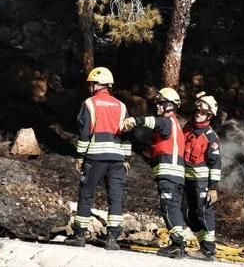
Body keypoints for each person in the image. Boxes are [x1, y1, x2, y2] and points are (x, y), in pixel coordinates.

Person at [65, 67, 131, 251]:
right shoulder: (121, 106)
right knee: (115, 198)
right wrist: (126, 158)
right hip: (117, 159)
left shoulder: (90, 103)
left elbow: (85, 132)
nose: (89, 87)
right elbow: (126, 133)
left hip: (96, 157)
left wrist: (79, 156)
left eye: (90, 84)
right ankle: (112, 239)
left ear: (96, 85)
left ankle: (79, 236)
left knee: (87, 194)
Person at [122, 87, 187, 258]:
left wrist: (135, 121)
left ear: (170, 106)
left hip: (170, 175)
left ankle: (178, 244)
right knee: (173, 207)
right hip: (174, 176)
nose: (157, 106)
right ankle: (178, 244)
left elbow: (154, 122)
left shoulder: (167, 122)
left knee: (169, 207)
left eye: (161, 103)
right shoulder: (174, 125)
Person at [183, 92, 222, 261]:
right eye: (198, 111)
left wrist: (213, 188)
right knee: (186, 212)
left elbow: (215, 164)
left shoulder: (211, 137)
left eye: (203, 113)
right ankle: (202, 244)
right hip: (185, 179)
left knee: (203, 213)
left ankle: (208, 249)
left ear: (210, 116)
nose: (199, 114)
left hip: (201, 182)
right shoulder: (187, 128)